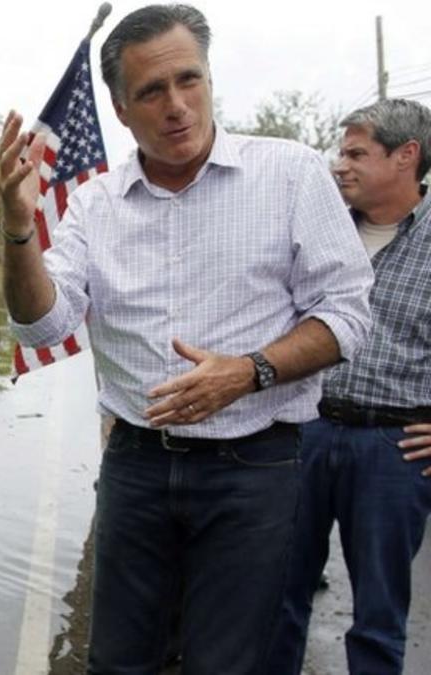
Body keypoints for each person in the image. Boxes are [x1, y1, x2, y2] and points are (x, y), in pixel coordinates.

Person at [0, 5, 374, 673]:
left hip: (256, 467)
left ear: (208, 77)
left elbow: (346, 314)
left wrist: (249, 371)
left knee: (225, 662)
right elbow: (43, 322)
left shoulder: (289, 174)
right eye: (151, 91)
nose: (176, 105)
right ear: (119, 108)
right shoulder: (94, 202)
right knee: (117, 660)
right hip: (137, 463)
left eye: (189, 80)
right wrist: (20, 228)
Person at [267, 98, 431, 675]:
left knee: (379, 617)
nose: (341, 165)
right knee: (278, 598)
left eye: (357, 153)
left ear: (406, 156)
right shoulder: (321, 226)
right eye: (341, 152)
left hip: (392, 450)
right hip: (302, 431)